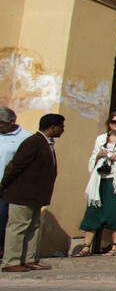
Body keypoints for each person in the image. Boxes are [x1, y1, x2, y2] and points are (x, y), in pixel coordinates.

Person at [0, 113, 65, 272]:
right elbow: (15, 166)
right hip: (22, 194)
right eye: (61, 126)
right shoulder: (33, 142)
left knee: (33, 227)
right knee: (18, 227)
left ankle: (29, 259)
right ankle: (11, 261)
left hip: (35, 195)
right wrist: (3, 185)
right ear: (52, 127)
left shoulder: (45, 143)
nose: (62, 130)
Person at [74, 110, 116, 257]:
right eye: (114, 122)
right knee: (93, 211)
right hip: (99, 179)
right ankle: (86, 246)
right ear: (109, 123)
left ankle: (115, 246)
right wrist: (100, 155)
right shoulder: (100, 139)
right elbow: (92, 158)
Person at [0, 108, 31, 256]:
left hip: (8, 188)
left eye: (1, 123)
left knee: (3, 220)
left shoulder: (25, 138)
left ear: (12, 122)